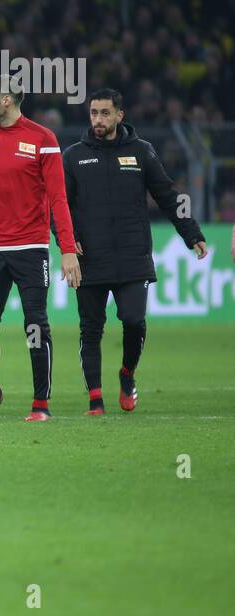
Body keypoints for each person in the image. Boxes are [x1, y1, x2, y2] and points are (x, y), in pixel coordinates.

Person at [63, 89, 206, 415]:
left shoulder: (142, 152)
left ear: (119, 116)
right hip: (90, 258)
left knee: (134, 320)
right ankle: (95, 400)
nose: (98, 119)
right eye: (93, 113)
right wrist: (66, 241)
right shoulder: (73, 156)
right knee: (91, 329)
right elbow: (59, 206)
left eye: (104, 113)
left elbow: (168, 195)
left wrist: (191, 233)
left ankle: (127, 374)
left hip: (132, 255)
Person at [0, 79, 80, 422]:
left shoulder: (43, 139)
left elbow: (58, 199)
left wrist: (66, 249)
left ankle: (41, 403)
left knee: (35, 325)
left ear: (7, 101)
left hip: (31, 250)